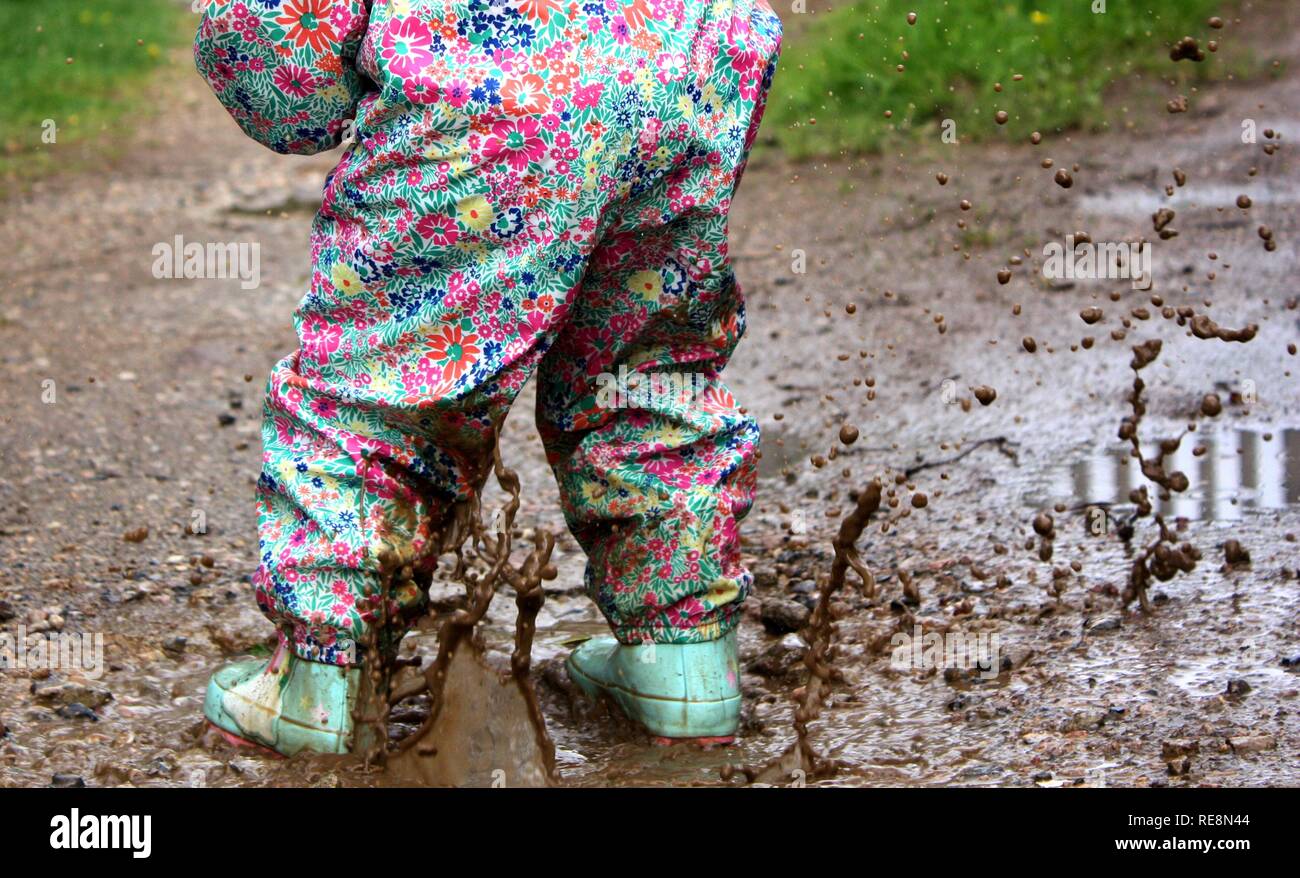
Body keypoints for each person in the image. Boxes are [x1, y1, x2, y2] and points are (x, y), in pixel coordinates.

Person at [194, 0, 781, 755]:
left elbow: (277, 61)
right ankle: (684, 666)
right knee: (643, 373)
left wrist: (306, 91)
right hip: (688, 74)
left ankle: (320, 681)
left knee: (388, 381)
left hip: (484, 90)